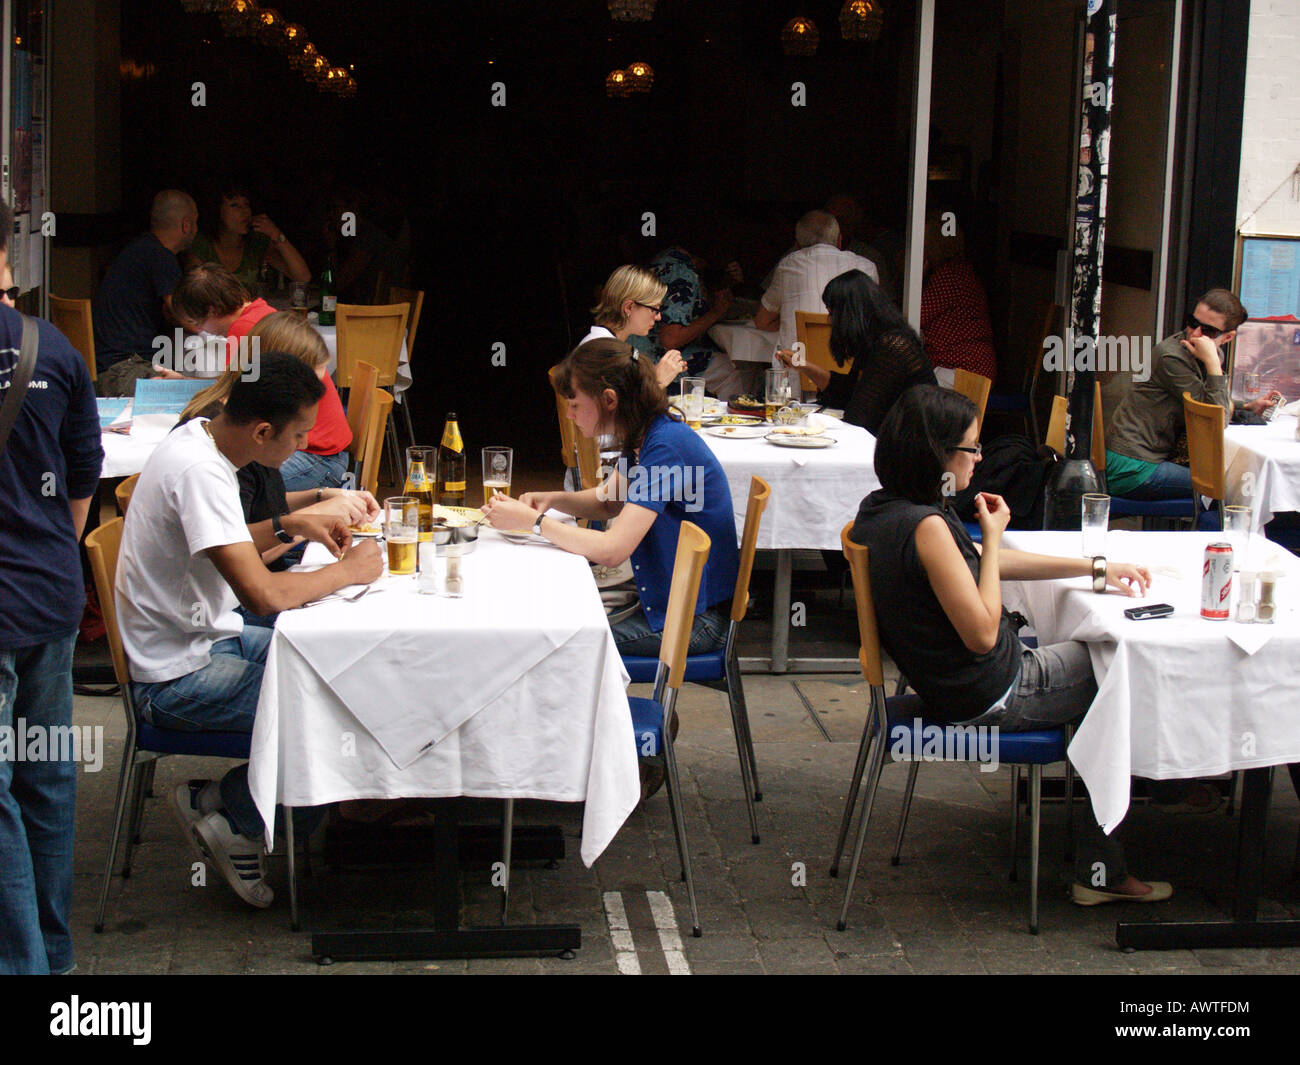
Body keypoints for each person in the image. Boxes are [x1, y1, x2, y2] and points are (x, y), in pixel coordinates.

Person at [851, 384, 1170, 905]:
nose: (979, 459)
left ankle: (1112, 813)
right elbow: (980, 632)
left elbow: (975, 565)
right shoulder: (927, 525)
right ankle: (1104, 866)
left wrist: (1095, 569)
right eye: (971, 448)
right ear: (938, 454)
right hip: (990, 693)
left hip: (958, 685)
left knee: (1102, 651)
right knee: (1123, 670)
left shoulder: (886, 509)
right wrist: (996, 535)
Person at [116, 353, 383, 907]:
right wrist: (348, 572)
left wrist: (292, 522)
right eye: (300, 435)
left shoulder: (199, 435)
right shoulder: (201, 473)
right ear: (263, 432)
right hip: (175, 680)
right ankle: (237, 819)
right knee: (346, 713)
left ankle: (216, 801)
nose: (306, 446)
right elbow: (263, 594)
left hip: (207, 639)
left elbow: (225, 540)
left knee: (346, 672)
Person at [484, 337, 739, 658]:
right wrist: (551, 499)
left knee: (544, 642)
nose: (570, 414)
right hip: (673, 602)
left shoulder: (665, 446)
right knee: (542, 621)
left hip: (695, 621)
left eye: (575, 404)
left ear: (609, 399)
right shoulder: (645, 433)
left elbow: (612, 550)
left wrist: (535, 523)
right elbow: (609, 501)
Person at [0, 201, 103, 974]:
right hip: (50, 597)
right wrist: (50, 558)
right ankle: (54, 956)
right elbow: (81, 474)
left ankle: (24, 966)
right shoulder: (54, 349)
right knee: (45, 777)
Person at [178, 311, 374, 575]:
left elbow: (257, 503)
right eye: (310, 388)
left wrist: (324, 496)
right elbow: (250, 558)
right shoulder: (233, 437)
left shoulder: (244, 416)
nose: (317, 400)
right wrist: (314, 518)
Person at [1105, 290, 1252, 501]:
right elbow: (1216, 420)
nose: (1195, 334)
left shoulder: (1205, 353)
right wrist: (1212, 363)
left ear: (1228, 337)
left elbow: (1209, 402)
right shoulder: (1172, 356)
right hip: (1133, 466)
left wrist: (1245, 406)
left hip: (1146, 459)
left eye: (1208, 331)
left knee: (1238, 480)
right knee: (1238, 485)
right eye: (1192, 322)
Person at [776, 269, 935, 435]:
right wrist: (802, 365)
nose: (830, 320)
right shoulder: (877, 341)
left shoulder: (891, 347)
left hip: (915, 444)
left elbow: (859, 416)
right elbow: (847, 391)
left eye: (832, 313)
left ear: (849, 314)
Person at [93, 189, 198, 396]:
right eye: (196, 222)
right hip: (126, 371)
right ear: (186, 225)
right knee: (200, 395)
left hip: (105, 367)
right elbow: (182, 315)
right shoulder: (160, 257)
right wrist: (222, 329)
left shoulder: (137, 250)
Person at [635, 248, 753, 400]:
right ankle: (733, 420)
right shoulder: (681, 272)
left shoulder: (664, 258)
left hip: (639, 351)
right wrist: (717, 312)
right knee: (736, 370)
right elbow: (671, 338)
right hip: (653, 356)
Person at [754, 210, 880, 350]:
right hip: (851, 367)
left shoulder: (788, 265)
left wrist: (793, 324)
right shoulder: (867, 267)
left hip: (798, 366)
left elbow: (762, 321)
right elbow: (872, 323)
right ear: (839, 240)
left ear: (797, 246)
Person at [919, 213, 997, 384]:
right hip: (965, 366)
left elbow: (914, 316)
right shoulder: (958, 271)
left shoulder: (949, 276)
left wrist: (917, 273)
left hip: (962, 368)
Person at [183, 183, 310, 289]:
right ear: (217, 210)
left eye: (246, 204)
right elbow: (194, 291)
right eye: (234, 205)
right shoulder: (202, 243)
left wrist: (277, 235)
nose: (245, 211)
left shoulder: (255, 242)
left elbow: (302, 277)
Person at [581, 264, 686, 388]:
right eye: (654, 309)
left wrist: (657, 373)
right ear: (629, 307)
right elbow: (617, 406)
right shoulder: (602, 353)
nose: (659, 317)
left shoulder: (607, 343)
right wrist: (658, 382)